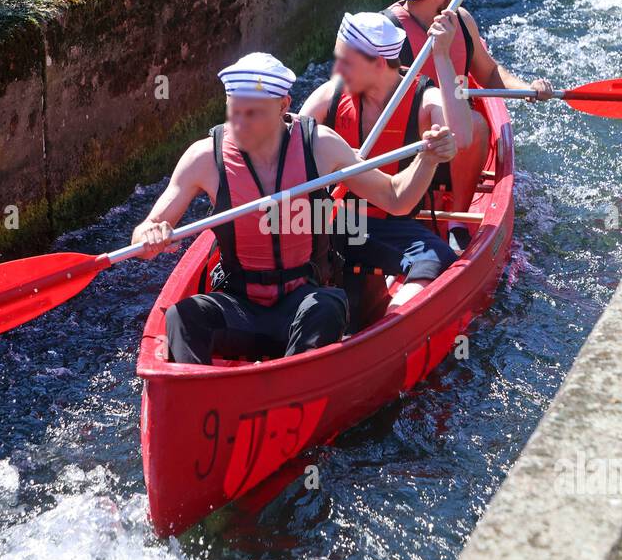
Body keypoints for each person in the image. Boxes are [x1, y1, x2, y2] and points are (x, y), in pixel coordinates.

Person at [132, 52, 457, 365]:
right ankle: (193, 402)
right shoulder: (203, 158)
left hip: (302, 305)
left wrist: (427, 160)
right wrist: (150, 235)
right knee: (183, 316)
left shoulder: (320, 146)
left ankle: (294, 389)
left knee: (328, 306)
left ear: (284, 106)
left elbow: (396, 199)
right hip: (238, 306)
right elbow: (147, 235)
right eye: (235, 112)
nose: (241, 125)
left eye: (254, 114)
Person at [299, 12, 468, 312]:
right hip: (334, 222)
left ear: (378, 63)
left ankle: (395, 319)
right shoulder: (328, 98)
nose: (337, 70)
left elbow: (463, 135)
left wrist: (442, 55)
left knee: (435, 258)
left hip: (392, 225)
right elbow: (287, 151)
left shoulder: (424, 99)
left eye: (346, 62)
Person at [384, 0, 555, 228]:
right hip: (400, 145)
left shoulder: (461, 21)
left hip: (455, 141)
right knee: (468, 123)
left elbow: (488, 72)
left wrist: (527, 89)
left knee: (473, 124)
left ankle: (457, 221)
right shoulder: (387, 33)